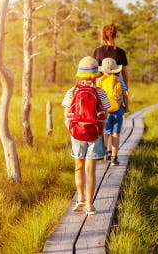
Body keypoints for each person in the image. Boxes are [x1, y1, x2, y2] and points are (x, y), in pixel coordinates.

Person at [61, 56, 110, 215]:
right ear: (96, 75)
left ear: (79, 75)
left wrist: (72, 129)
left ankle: (80, 198)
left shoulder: (71, 92)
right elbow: (105, 114)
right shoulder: (100, 92)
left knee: (78, 167)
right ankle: (90, 204)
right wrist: (98, 129)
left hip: (77, 134)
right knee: (90, 170)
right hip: (94, 135)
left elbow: (67, 114)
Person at [93, 24, 130, 107]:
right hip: (116, 88)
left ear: (103, 36)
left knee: (103, 114)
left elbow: (94, 72)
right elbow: (125, 74)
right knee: (117, 110)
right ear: (115, 35)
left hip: (101, 87)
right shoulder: (121, 52)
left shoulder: (97, 51)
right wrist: (125, 88)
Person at [97, 58, 125, 166]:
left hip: (105, 111)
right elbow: (125, 94)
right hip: (117, 110)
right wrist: (126, 107)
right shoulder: (119, 80)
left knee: (106, 133)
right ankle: (114, 158)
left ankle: (104, 153)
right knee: (115, 134)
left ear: (103, 70)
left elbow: (97, 96)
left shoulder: (99, 80)